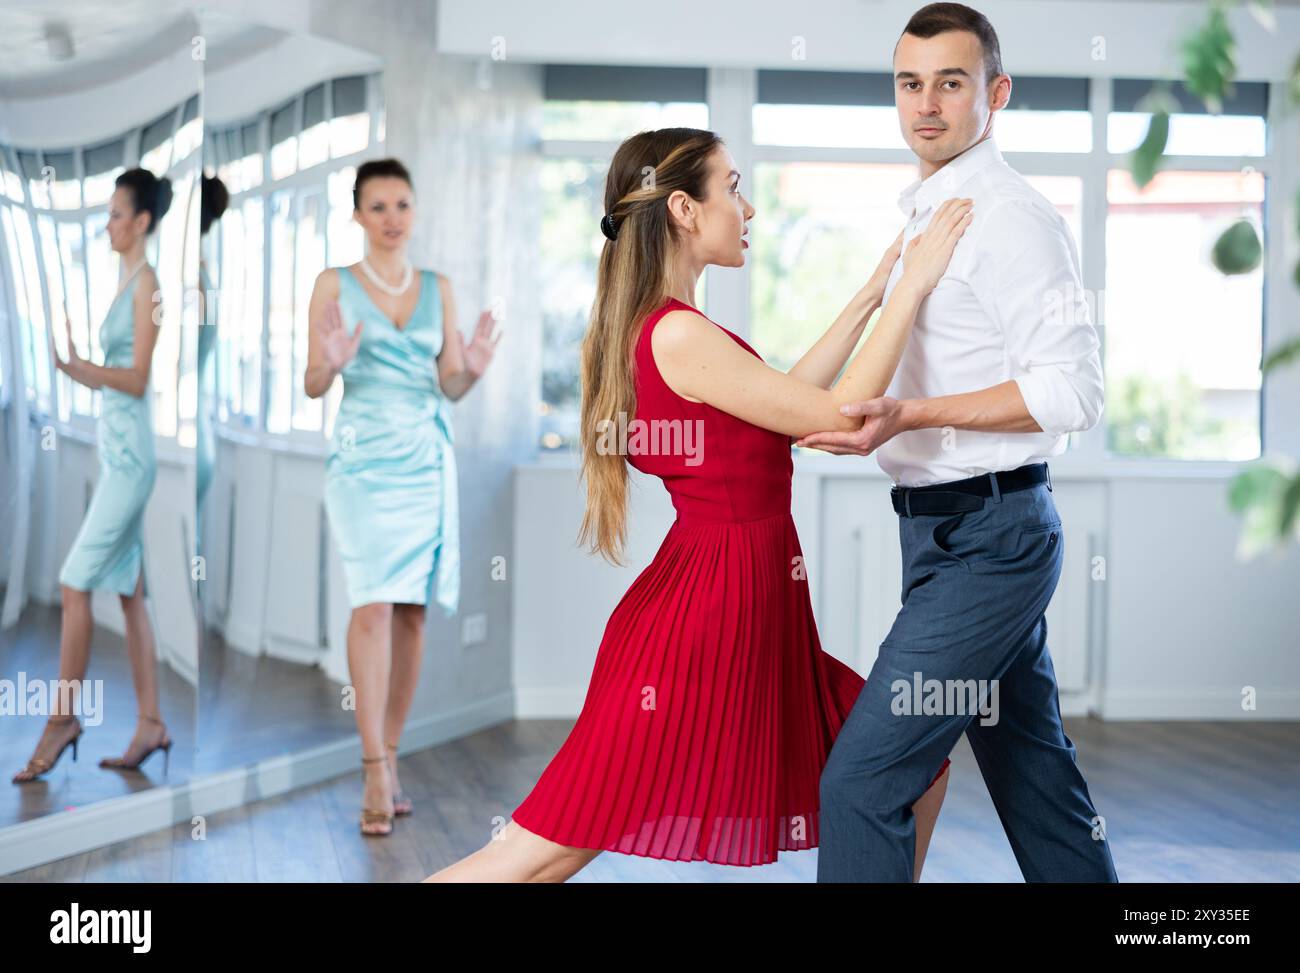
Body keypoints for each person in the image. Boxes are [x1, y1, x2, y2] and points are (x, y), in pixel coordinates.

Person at [426, 127, 970, 881]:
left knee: (912, 765)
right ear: (684, 207)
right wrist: (914, 288)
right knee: (538, 853)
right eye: (734, 187)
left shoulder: (669, 329)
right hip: (700, 631)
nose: (747, 208)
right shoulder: (676, 334)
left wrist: (877, 288)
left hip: (744, 615)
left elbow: (793, 403)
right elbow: (837, 417)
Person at [797, 3, 1117, 882]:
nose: (926, 103)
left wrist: (913, 414)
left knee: (863, 779)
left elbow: (1074, 391)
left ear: (996, 92)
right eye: (910, 82)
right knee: (1034, 775)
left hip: (992, 542)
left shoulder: (1008, 216)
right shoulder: (928, 215)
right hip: (944, 535)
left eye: (951, 81)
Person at [304, 158, 500, 836]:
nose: (392, 218)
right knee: (373, 605)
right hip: (362, 464)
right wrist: (330, 359)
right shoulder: (333, 282)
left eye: (402, 205)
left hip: (424, 461)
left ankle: (390, 754)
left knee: (413, 614)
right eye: (378, 206)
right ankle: (370, 768)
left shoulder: (438, 286)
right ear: (357, 214)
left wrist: (469, 372)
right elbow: (310, 383)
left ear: (414, 213)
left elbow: (447, 383)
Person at [13, 167, 172, 782]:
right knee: (130, 597)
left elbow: (136, 379)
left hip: (131, 465)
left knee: (74, 582)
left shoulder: (149, 285)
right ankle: (152, 723)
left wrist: (82, 366)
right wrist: (76, 368)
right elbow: (118, 374)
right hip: (120, 455)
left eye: (114, 214)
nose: (107, 223)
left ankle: (61, 720)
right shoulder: (128, 279)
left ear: (141, 222)